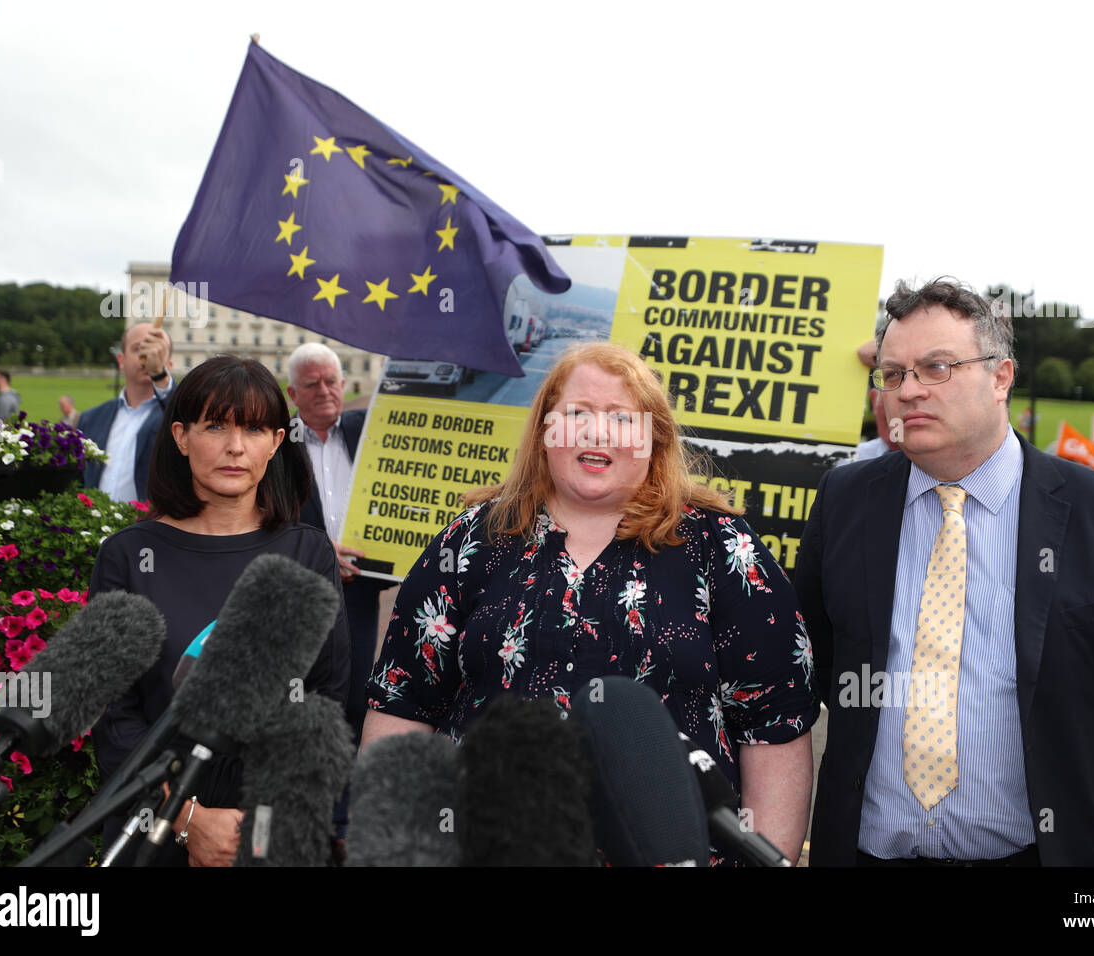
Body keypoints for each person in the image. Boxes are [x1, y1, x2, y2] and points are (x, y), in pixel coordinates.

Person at [360, 342, 815, 864]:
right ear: (545, 429)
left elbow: (774, 723)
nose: (597, 433)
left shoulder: (719, 546)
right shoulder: (472, 541)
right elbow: (401, 704)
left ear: (653, 438)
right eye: (577, 414)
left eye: (622, 418)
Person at [794, 277, 1094, 866]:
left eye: (936, 368)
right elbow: (821, 656)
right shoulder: (843, 499)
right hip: (866, 853)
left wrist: (1061, 762)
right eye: (893, 373)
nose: (908, 391)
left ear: (1001, 377)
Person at [89, 356, 350, 866]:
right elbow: (115, 720)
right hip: (155, 832)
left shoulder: (307, 552)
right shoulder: (125, 556)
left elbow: (327, 701)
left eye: (253, 428)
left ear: (276, 442)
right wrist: (187, 820)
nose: (235, 447)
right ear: (182, 437)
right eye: (216, 426)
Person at [284, 343, 390, 745]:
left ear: (344, 384)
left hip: (359, 588)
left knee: (355, 692)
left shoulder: (369, 429)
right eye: (312, 384)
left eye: (332, 381)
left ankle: (342, 799)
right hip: (299, 590)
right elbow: (262, 516)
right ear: (292, 394)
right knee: (301, 694)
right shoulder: (276, 446)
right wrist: (317, 549)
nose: (324, 390)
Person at [79, 322, 174, 503]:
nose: (147, 356)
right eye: (139, 348)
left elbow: (185, 417)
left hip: (148, 528)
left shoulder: (176, 416)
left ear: (168, 364)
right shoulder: (91, 418)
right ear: (121, 360)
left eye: (157, 351)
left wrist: (160, 376)